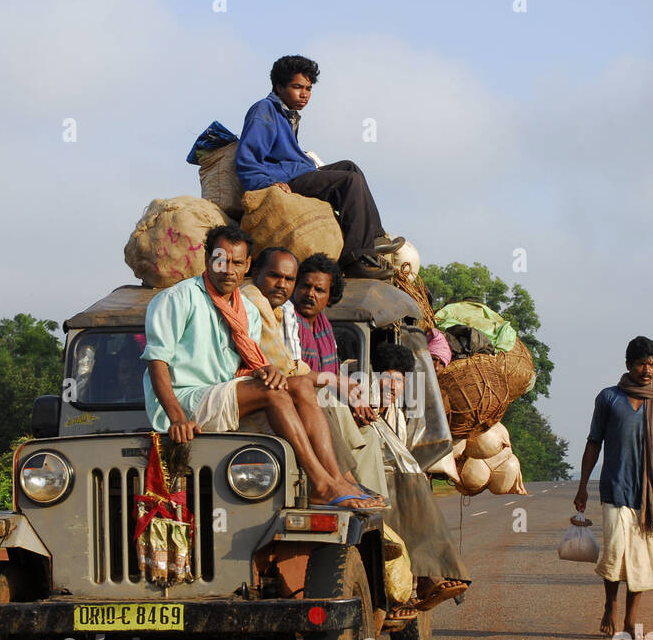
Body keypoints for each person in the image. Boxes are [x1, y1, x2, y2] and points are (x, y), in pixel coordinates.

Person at [141, 223, 379, 509]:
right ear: (207, 260)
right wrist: (177, 417)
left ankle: (336, 478)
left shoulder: (248, 311)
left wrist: (262, 370)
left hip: (222, 393)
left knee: (301, 384)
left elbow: (244, 362)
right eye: (220, 259)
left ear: (247, 266)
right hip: (185, 400)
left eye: (237, 262)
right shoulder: (178, 299)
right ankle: (321, 483)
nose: (228, 269)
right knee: (274, 393)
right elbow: (158, 362)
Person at [235, 54, 402, 281]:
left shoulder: (288, 114)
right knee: (348, 182)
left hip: (299, 171)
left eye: (308, 88)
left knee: (349, 167)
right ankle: (355, 260)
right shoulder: (264, 110)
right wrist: (268, 184)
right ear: (279, 86)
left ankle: (374, 238)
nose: (304, 94)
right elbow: (247, 161)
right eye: (297, 87)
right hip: (288, 178)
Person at [241, 246, 388, 499]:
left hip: (310, 397)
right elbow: (292, 372)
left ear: (330, 297)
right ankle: (344, 481)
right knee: (327, 401)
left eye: (319, 290)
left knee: (369, 434)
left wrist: (350, 395)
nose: (309, 294)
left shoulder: (323, 328)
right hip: (291, 400)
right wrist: (335, 384)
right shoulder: (282, 312)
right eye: (305, 286)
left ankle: (367, 496)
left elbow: (301, 369)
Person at [573, 336, 653, 636]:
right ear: (628, 365)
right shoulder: (609, 398)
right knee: (614, 553)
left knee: (641, 558)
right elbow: (593, 442)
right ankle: (610, 605)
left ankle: (630, 620)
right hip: (615, 488)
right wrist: (583, 485)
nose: (647, 370)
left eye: (652, 364)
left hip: (651, 495)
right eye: (641, 363)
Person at [367, 342, 471, 610]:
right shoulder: (359, 411)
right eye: (386, 378)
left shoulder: (396, 415)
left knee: (415, 487)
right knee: (413, 491)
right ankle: (429, 576)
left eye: (398, 381)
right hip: (366, 484)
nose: (392, 386)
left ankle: (428, 576)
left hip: (390, 483)